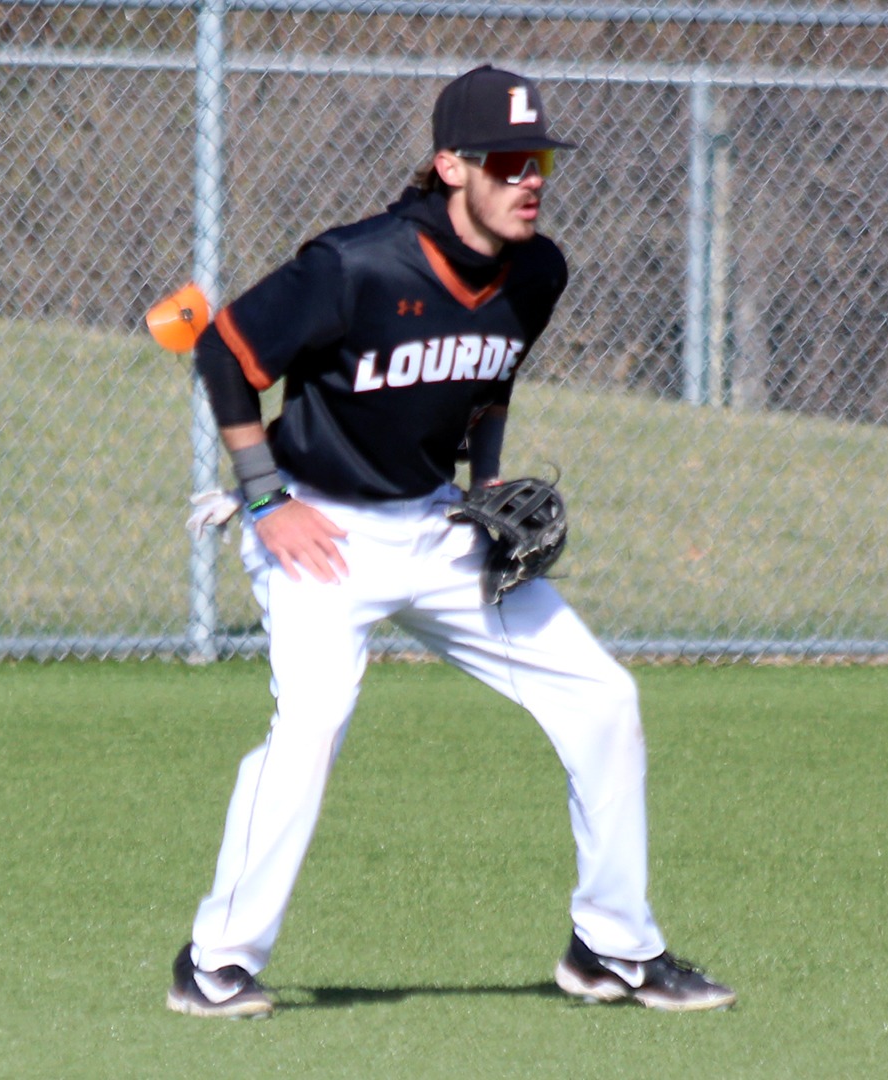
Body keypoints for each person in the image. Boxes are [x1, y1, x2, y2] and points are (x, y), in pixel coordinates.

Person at [168, 64, 735, 1018]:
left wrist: (487, 487)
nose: (532, 178)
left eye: (540, 160)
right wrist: (265, 500)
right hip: (319, 529)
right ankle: (214, 963)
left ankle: (612, 948)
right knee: (309, 730)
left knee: (603, 699)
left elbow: (489, 380)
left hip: (436, 530)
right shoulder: (356, 265)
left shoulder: (538, 271)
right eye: (509, 161)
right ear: (450, 166)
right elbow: (224, 350)